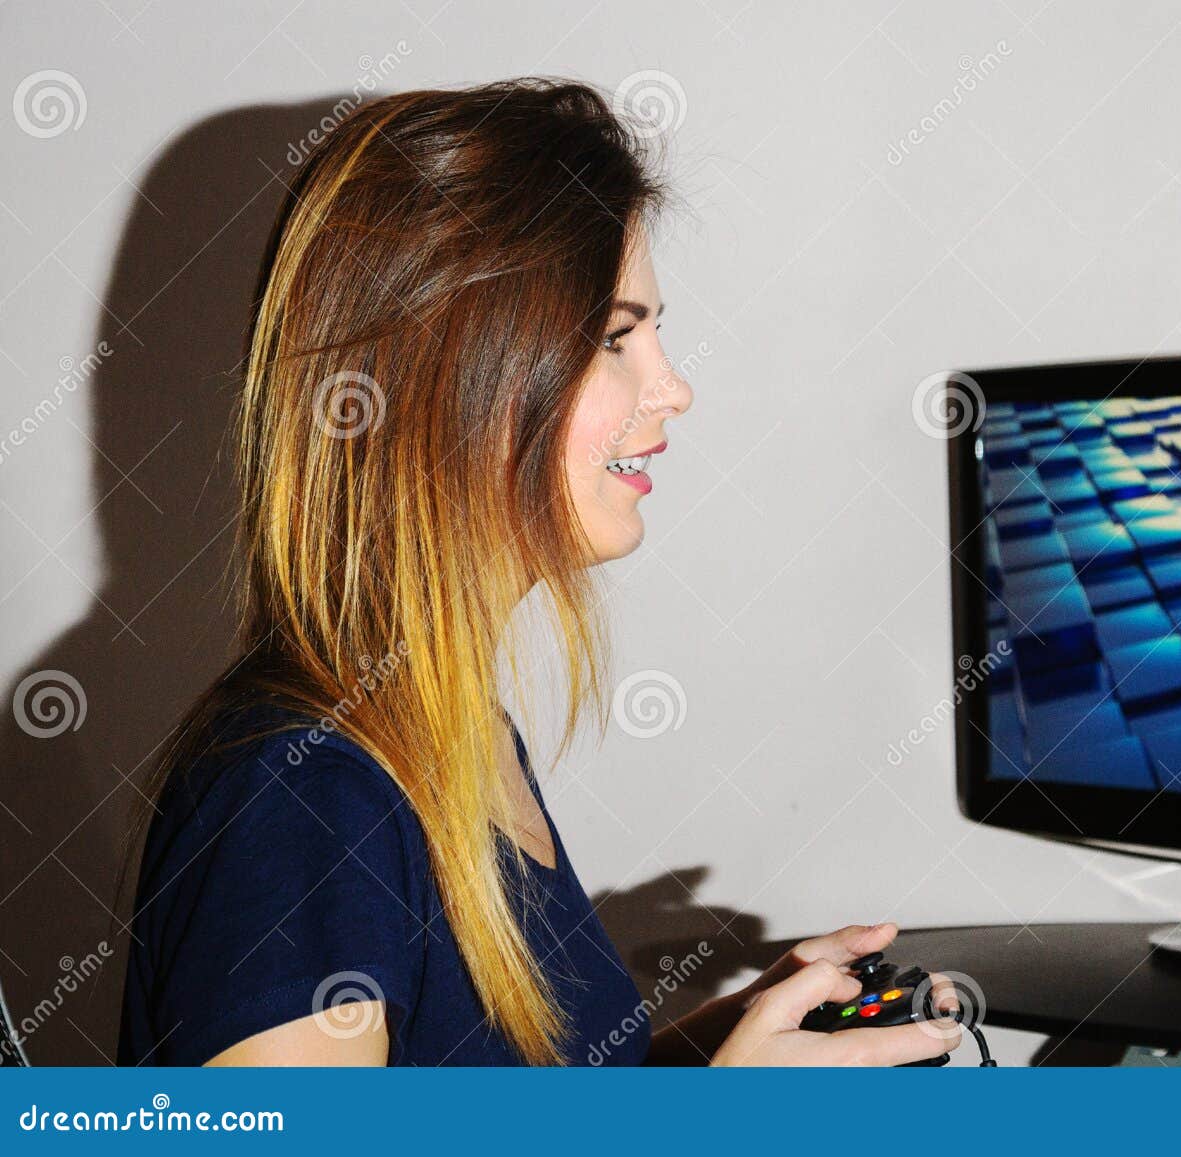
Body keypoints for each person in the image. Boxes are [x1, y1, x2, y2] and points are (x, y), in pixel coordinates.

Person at [116, 77, 961, 1068]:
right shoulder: (303, 796)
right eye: (615, 337)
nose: (673, 387)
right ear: (455, 378)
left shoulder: (458, 731)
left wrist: (715, 1050)